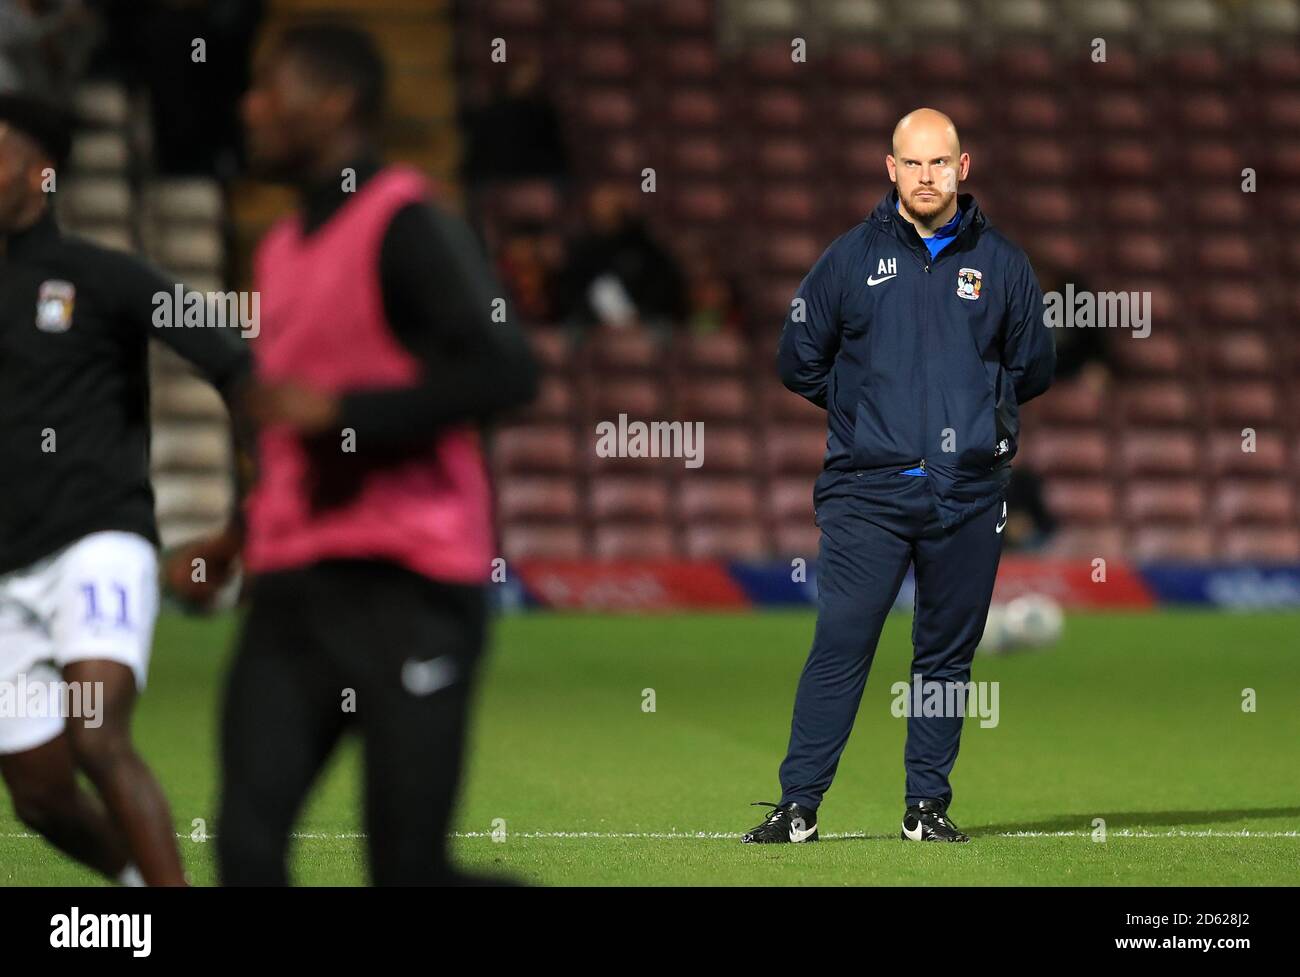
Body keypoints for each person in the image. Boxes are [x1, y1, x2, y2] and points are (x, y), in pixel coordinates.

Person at [171, 23, 538, 885]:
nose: (248, 106)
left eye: (269, 88)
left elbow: (506, 372)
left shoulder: (408, 224)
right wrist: (230, 542)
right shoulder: (280, 249)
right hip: (294, 588)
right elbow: (293, 434)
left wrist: (346, 410)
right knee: (247, 848)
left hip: (410, 583)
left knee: (408, 871)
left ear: (333, 101)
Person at [744, 108, 1055, 844]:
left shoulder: (1005, 265)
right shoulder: (848, 259)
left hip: (968, 493)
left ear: (963, 167)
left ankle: (925, 807)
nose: (925, 176)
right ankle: (798, 805)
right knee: (842, 641)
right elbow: (798, 359)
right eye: (912, 163)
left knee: (944, 656)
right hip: (867, 492)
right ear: (890, 169)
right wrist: (867, 412)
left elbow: (1034, 365)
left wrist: (987, 424)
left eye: (939, 163)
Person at [0, 92, 251, 884]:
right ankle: (139, 885)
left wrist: (242, 522)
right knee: (40, 796)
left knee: (97, 736)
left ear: (40, 171)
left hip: (96, 540)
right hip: (6, 568)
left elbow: (234, 364)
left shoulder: (100, 276)